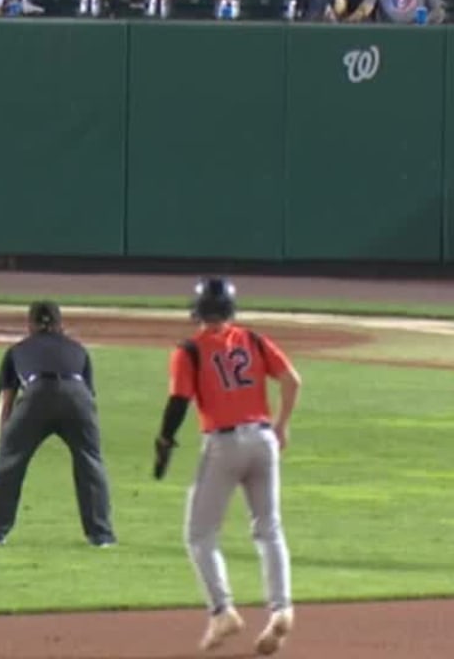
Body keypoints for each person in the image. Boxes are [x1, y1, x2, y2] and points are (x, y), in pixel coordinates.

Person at [153, 277, 301, 655]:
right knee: (269, 529)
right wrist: (282, 424)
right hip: (264, 440)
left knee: (199, 535)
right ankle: (281, 608)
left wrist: (164, 440)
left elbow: (178, 402)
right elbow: (291, 380)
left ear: (199, 311)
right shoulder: (252, 340)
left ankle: (222, 611)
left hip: (223, 444)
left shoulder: (190, 350)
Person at [0, 301, 116, 548]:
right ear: (61, 325)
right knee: (90, 462)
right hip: (78, 397)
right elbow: (88, 397)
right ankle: (101, 535)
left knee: (9, 464)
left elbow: (6, 402)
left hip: (37, 396)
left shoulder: (17, 350)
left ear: (29, 325)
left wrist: (3, 442)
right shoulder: (79, 350)